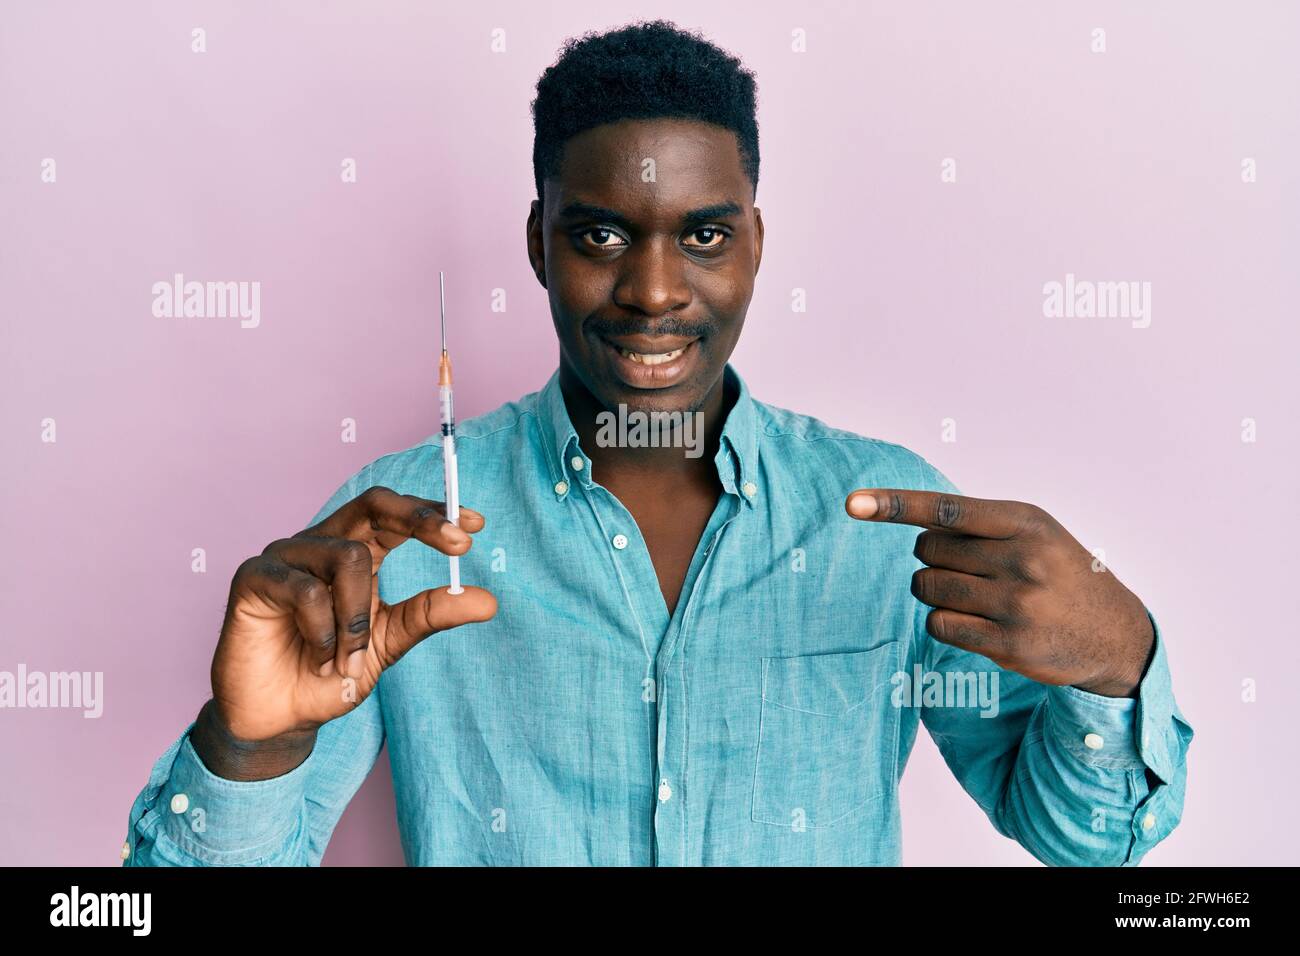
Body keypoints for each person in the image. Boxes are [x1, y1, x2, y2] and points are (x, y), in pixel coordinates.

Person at [123, 19, 1192, 866]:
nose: (653, 290)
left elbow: (1090, 839)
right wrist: (250, 744)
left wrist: (1115, 661)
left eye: (704, 234)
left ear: (755, 244)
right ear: (537, 243)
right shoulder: (401, 524)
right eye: (599, 235)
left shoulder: (888, 515)